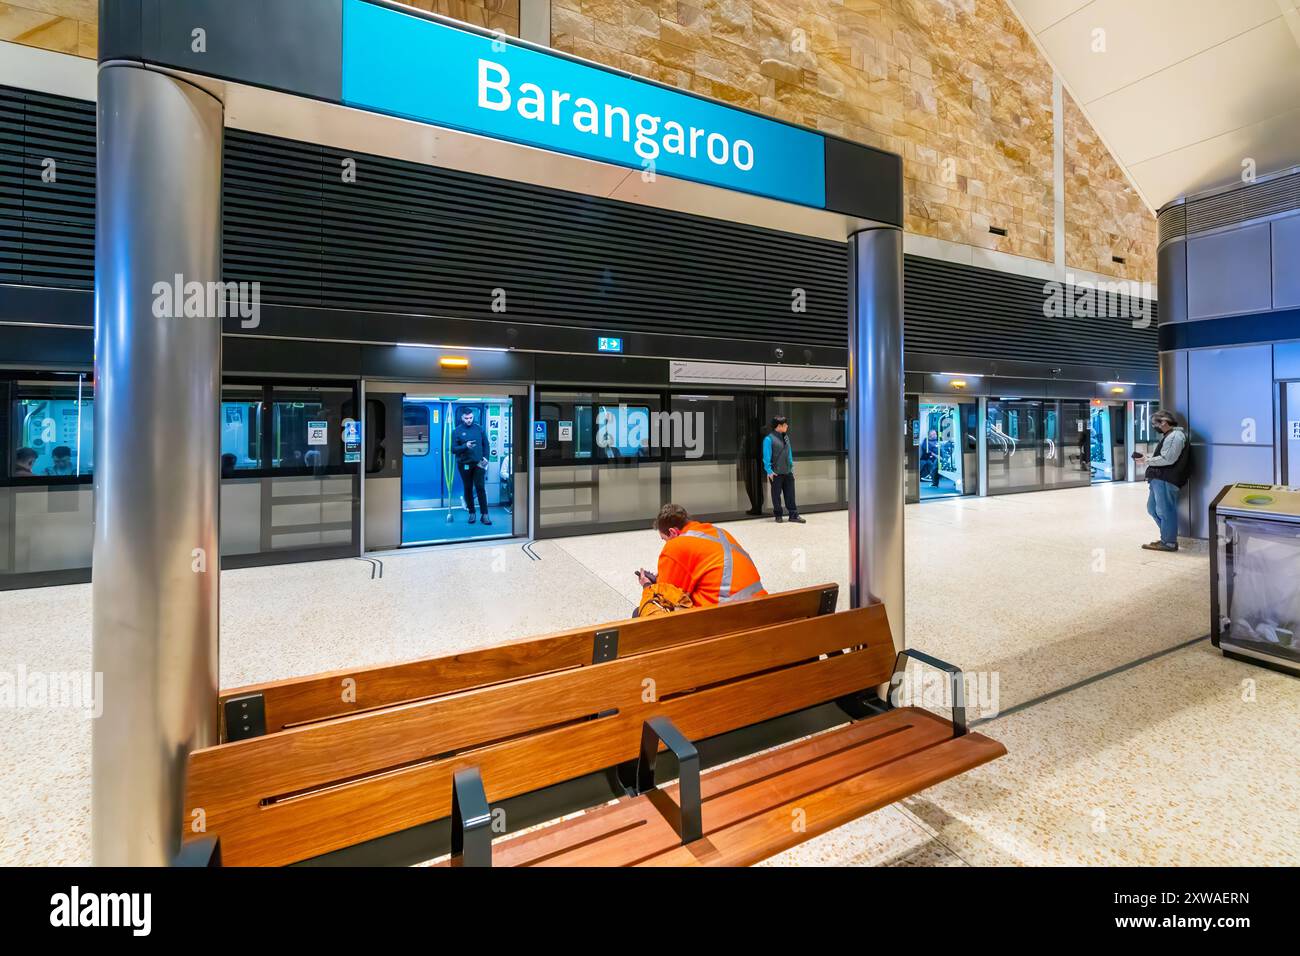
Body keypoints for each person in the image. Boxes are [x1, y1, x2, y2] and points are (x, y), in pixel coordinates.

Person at [636, 503, 767, 607]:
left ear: (672, 532)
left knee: (640, 612)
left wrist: (647, 585)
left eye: (664, 539)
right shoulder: (719, 532)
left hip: (726, 616)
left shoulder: (675, 545)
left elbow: (665, 600)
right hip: (762, 604)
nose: (665, 543)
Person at [1134, 409, 1191, 552]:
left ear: (1164, 422)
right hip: (1159, 479)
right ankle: (1167, 536)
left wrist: (1147, 460)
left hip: (1166, 480)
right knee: (1152, 509)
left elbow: (1168, 459)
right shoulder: (1169, 436)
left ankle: (1169, 542)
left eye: (1155, 424)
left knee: (1165, 511)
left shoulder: (1175, 436)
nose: (1154, 427)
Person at [451, 407, 491, 525]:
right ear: (462, 418)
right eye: (466, 418)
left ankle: (485, 515)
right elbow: (453, 449)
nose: (469, 420)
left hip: (479, 463)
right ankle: (472, 513)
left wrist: (486, 458)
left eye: (471, 418)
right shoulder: (456, 431)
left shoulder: (479, 429)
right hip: (464, 464)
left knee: (480, 487)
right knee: (468, 488)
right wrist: (465, 446)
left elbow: (486, 445)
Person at [762, 415, 804, 524]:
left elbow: (789, 453)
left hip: (788, 472)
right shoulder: (768, 439)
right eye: (785, 425)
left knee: (790, 494)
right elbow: (766, 457)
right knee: (776, 495)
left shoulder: (786, 437)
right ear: (779, 426)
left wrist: (791, 466)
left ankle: (793, 515)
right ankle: (778, 515)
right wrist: (769, 471)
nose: (787, 426)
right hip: (775, 473)